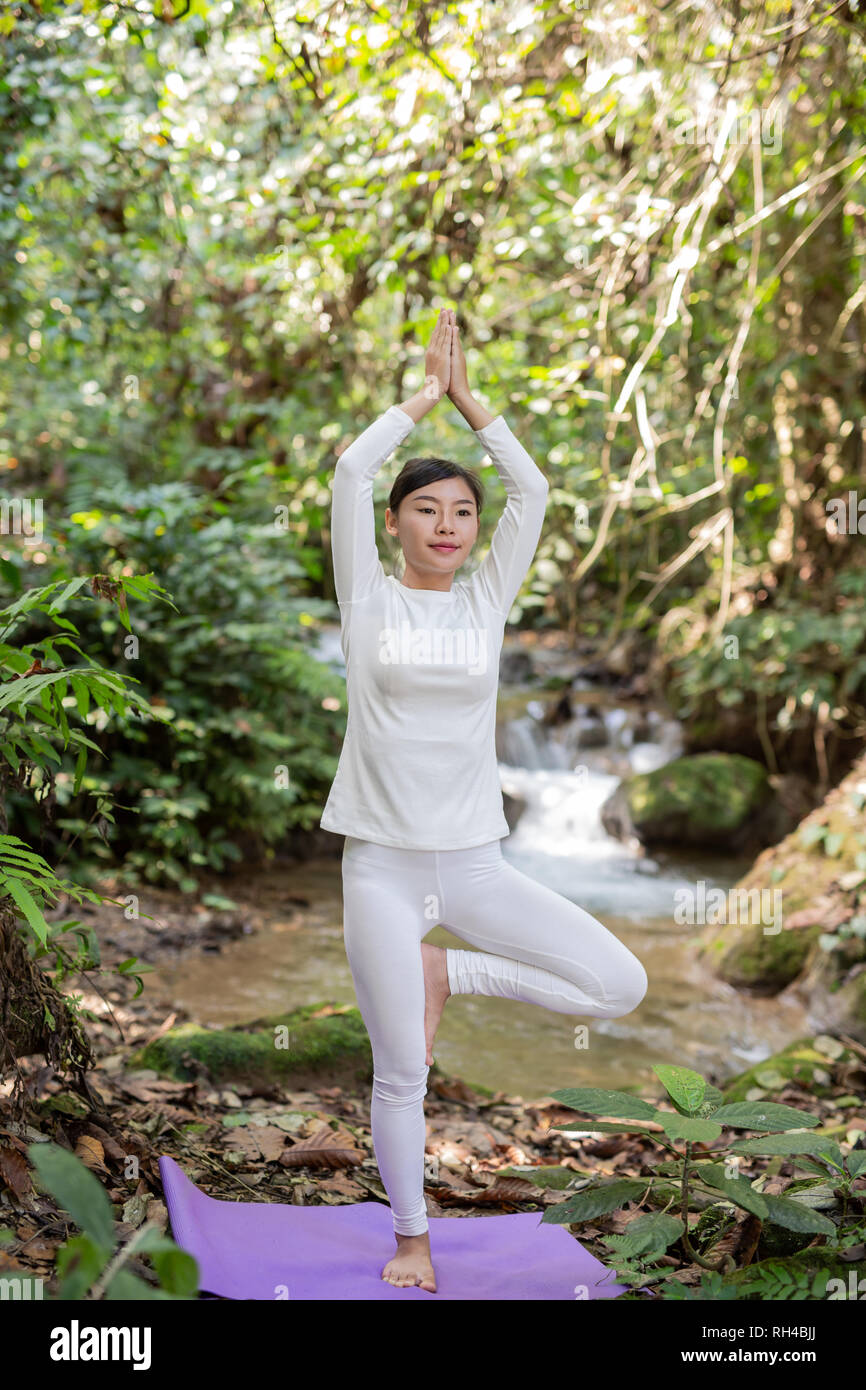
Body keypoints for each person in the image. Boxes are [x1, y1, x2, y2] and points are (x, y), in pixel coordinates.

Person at [320, 308, 648, 1292]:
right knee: (398, 1074)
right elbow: (344, 473)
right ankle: (411, 1238)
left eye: (461, 511)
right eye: (427, 509)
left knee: (617, 984)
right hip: (379, 861)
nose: (448, 525)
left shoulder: (485, 597)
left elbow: (533, 487)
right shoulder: (368, 596)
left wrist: (473, 405)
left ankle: (450, 976)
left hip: (470, 861)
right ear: (396, 523)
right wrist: (419, 399)